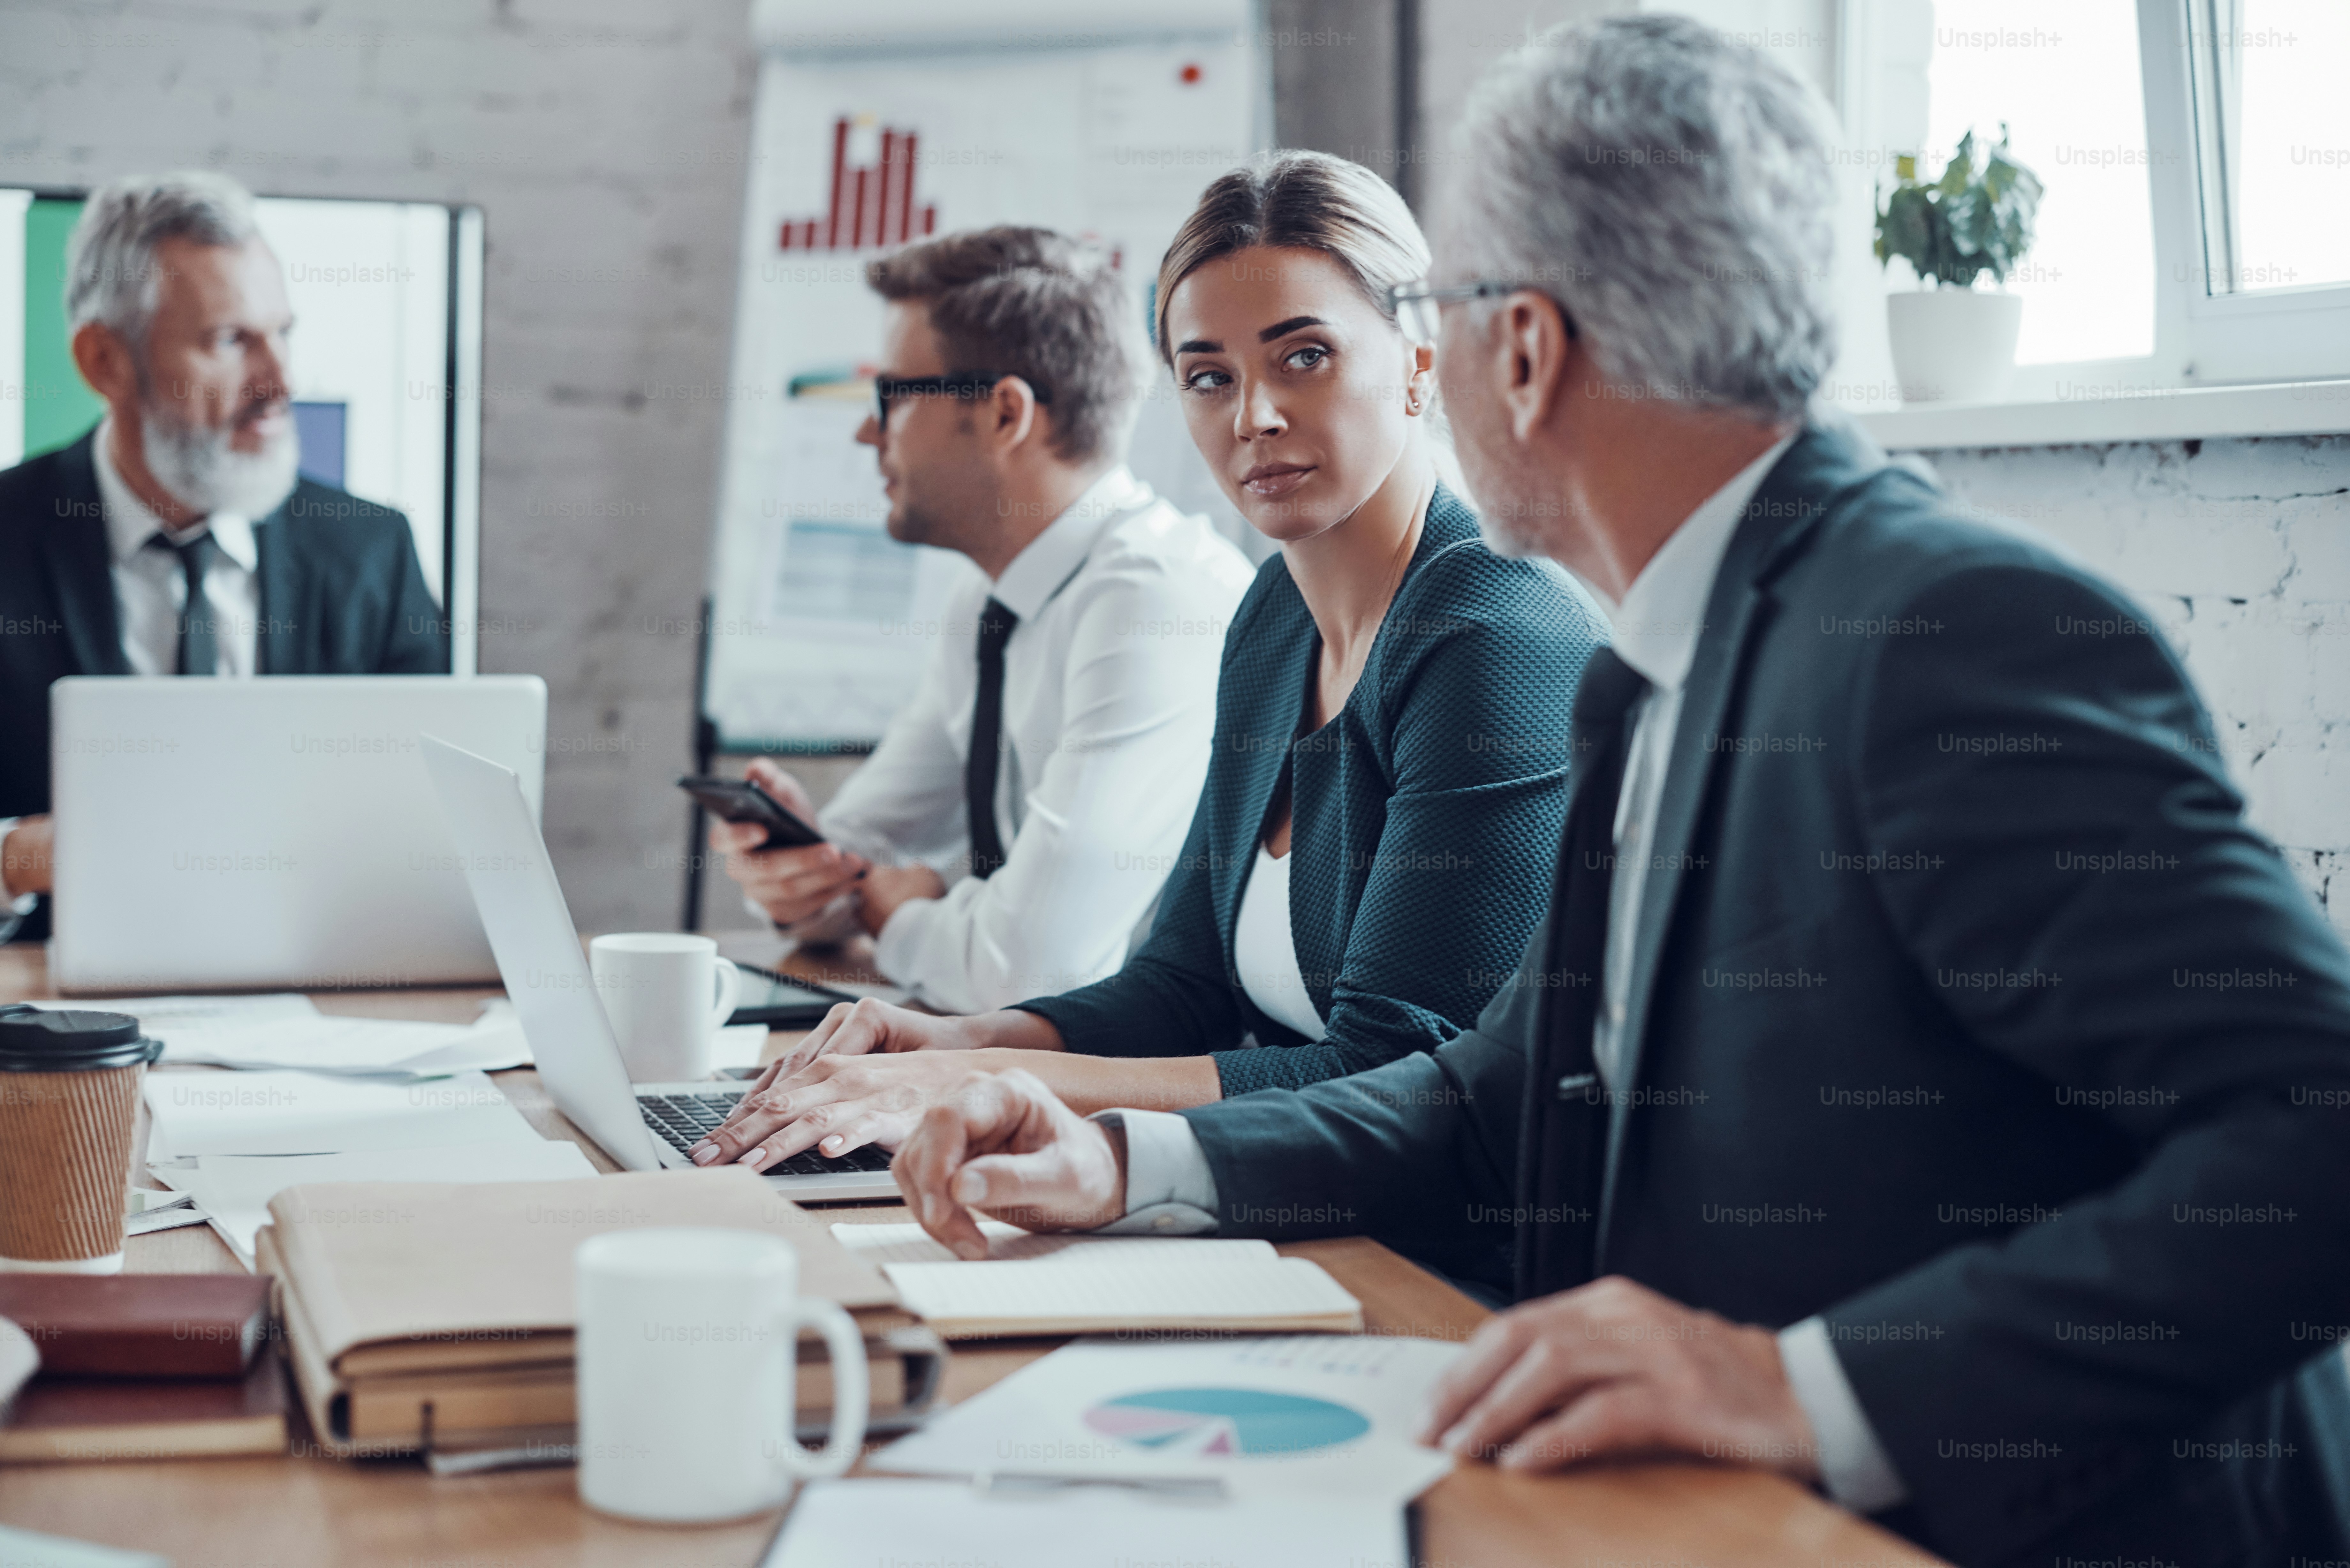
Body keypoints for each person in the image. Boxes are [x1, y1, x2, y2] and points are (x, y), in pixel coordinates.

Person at [882, 19, 2350, 1566]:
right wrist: (1121, 1160)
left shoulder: (1936, 633)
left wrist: (1795, 1383)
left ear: (1515, 347)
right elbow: (1486, 1090)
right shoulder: (1657, 650)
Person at [693, 153, 1605, 1175]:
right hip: (1291, 1203)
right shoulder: (1274, 617)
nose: (1253, 416)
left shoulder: (1497, 635)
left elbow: (1392, 1071)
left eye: (1304, 357)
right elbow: (1182, 988)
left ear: (1421, 365)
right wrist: (950, 1044)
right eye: (1209, 377)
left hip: (1449, 1261)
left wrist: (982, 1084)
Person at [712, 227, 1252, 1016]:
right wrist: (802, 874)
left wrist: (893, 908)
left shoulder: (1153, 603)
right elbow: (859, 851)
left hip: (1138, 1096)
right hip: (1010, 1070)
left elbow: (1028, 970)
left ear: (1005, 414)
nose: (868, 431)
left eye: (892, 396)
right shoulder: (989, 605)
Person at [0, 171, 447, 944]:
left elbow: (444, 828)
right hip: (60, 1026)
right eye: (230, 340)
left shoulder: (373, 551)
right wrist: (15, 857)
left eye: (283, 333)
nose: (281, 382)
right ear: (106, 362)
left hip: (322, 1006)